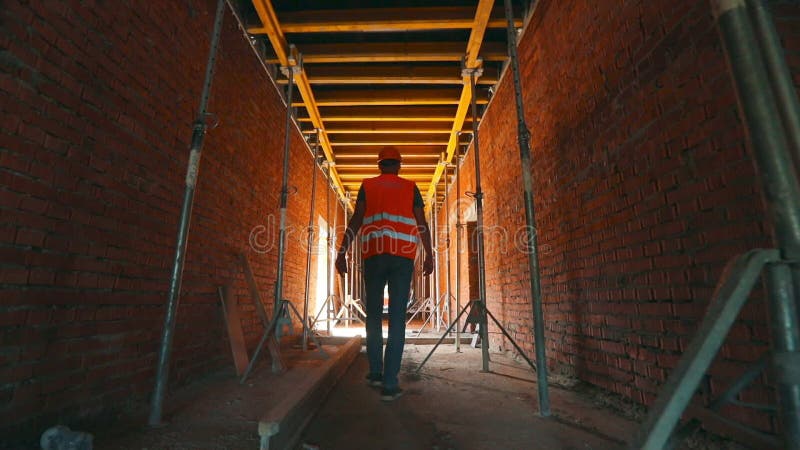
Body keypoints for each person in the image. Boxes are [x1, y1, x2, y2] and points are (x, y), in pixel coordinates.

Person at [336, 146, 434, 401]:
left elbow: (356, 220)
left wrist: (341, 252)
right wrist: (429, 254)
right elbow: (421, 223)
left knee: (374, 315)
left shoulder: (367, 186)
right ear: (399, 165)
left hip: (374, 257)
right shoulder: (410, 187)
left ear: (379, 165)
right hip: (402, 259)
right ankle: (390, 384)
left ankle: (375, 373)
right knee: (398, 318)